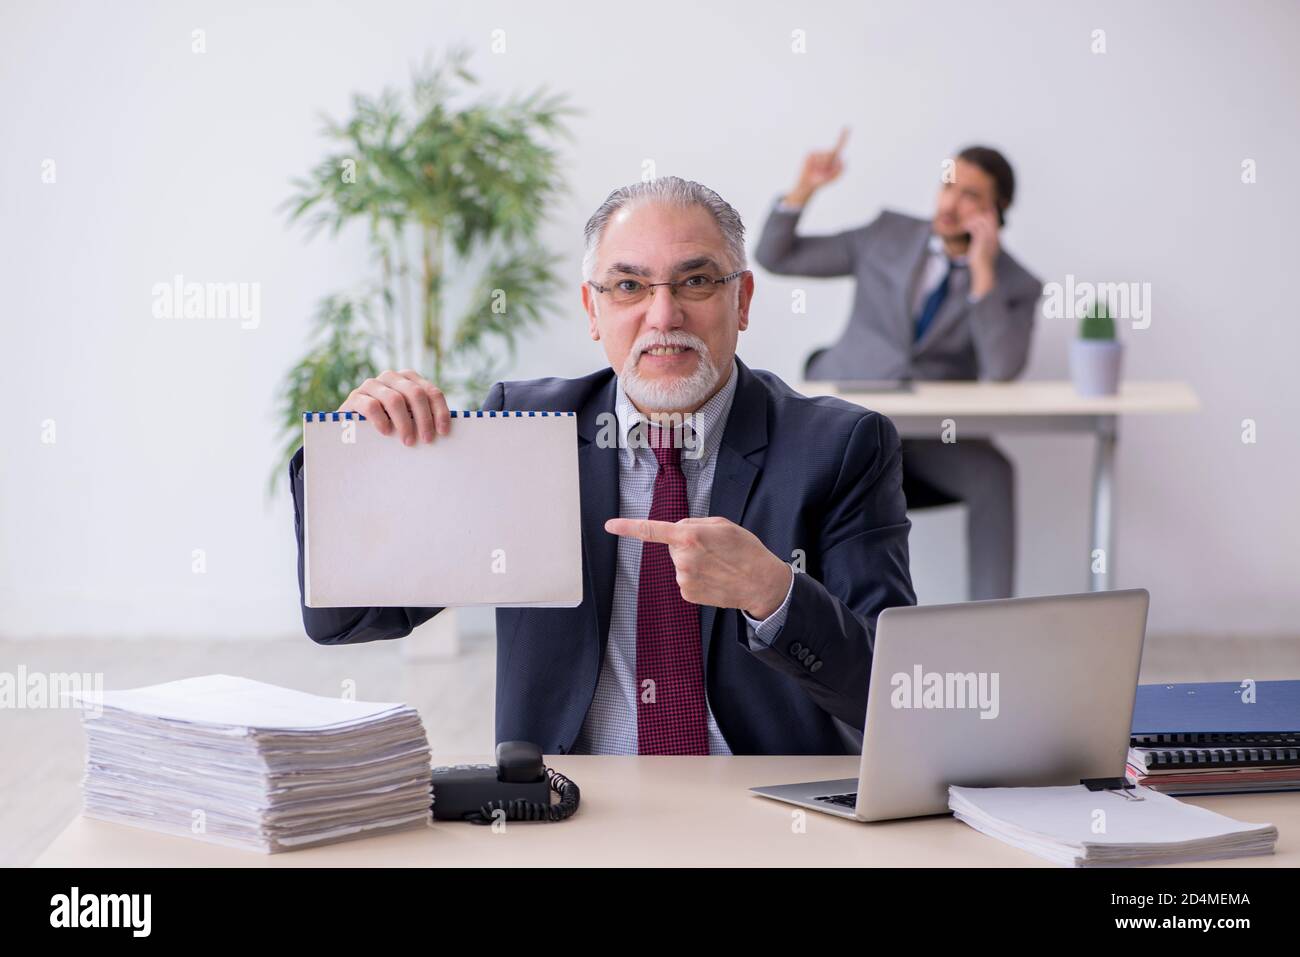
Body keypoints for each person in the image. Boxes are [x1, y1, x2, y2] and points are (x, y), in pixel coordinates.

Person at [289, 176, 915, 755]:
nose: (663, 315)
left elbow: (891, 693)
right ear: (593, 311)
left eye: (695, 282)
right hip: (571, 810)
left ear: (743, 300)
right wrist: (352, 463)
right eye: (628, 286)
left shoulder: (841, 445)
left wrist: (775, 595)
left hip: (762, 808)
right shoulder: (525, 431)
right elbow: (346, 619)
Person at [754, 133, 1043, 600]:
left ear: (996, 211)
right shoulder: (885, 233)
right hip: (850, 418)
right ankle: (800, 616)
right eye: (949, 185)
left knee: (994, 474)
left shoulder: (1016, 283)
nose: (951, 202)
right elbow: (776, 257)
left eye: (971, 195)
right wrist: (805, 188)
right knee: (804, 474)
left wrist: (983, 274)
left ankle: (994, 625)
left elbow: (1003, 370)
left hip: (929, 438)